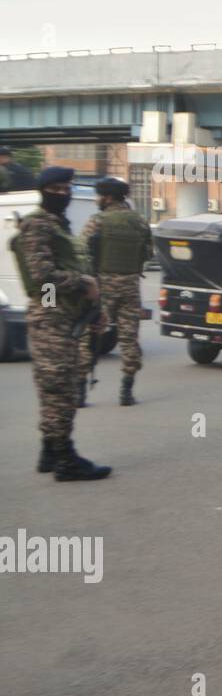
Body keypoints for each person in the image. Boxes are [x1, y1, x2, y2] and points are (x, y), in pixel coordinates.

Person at [10, 167, 111, 480]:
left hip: (59, 313)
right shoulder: (38, 225)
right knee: (60, 389)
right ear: (43, 191)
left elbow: (74, 269)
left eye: (67, 188)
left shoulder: (58, 226)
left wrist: (95, 308)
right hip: (50, 318)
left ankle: (49, 452)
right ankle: (66, 460)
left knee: (54, 387)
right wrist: (82, 285)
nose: (63, 194)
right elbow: (43, 279)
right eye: (56, 188)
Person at [82, 177, 152, 406]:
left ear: (108, 197)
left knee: (89, 335)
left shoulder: (98, 221)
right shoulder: (140, 221)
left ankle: (80, 392)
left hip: (103, 287)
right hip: (131, 287)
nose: (97, 200)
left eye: (99, 195)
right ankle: (127, 391)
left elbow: (81, 251)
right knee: (129, 338)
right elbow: (147, 253)